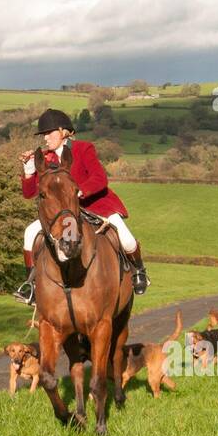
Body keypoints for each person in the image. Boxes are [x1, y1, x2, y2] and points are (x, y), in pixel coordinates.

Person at [13, 108, 148, 305]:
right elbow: (29, 193)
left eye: (49, 133)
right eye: (44, 135)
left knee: (126, 238)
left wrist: (80, 191)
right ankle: (31, 285)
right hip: (62, 213)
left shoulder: (84, 149)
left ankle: (139, 271)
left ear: (63, 131)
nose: (45, 139)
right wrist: (28, 171)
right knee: (29, 232)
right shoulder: (45, 157)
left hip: (95, 205)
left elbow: (100, 178)